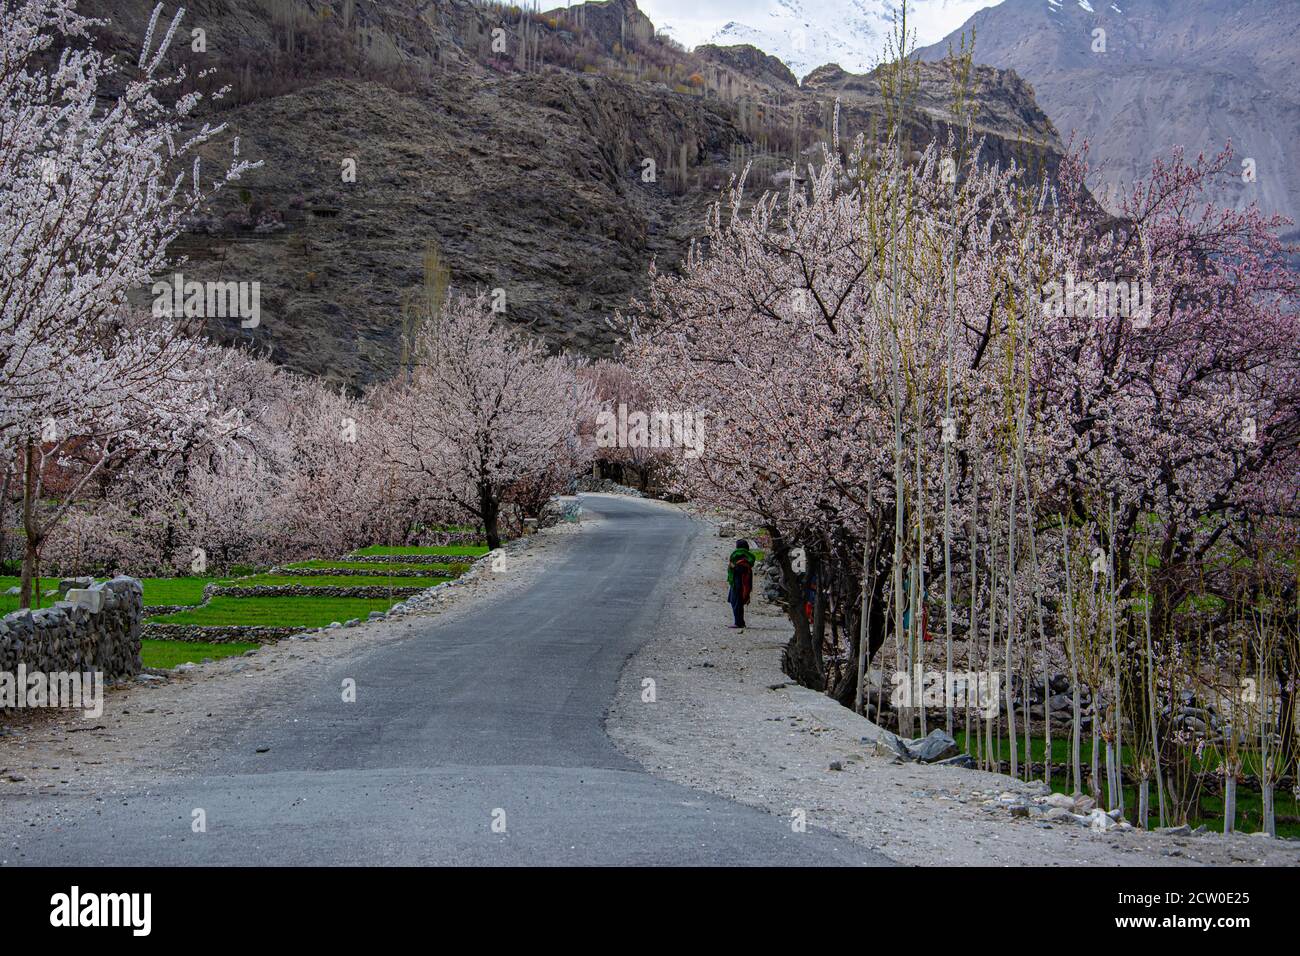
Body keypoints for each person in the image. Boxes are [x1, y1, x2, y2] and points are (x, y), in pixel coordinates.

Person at [726, 538, 756, 629]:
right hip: (738, 584)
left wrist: (733, 566)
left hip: (739, 584)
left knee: (737, 603)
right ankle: (740, 622)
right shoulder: (745, 557)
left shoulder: (742, 558)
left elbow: (740, 570)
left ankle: (738, 623)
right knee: (735, 602)